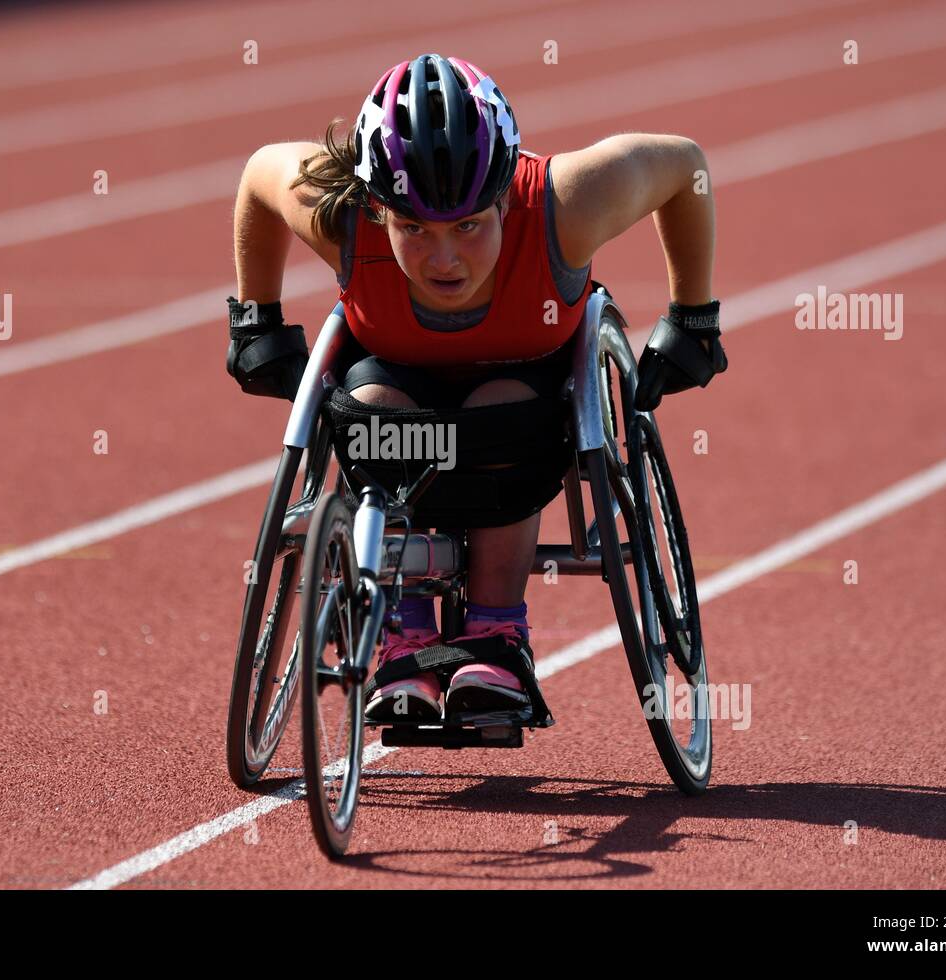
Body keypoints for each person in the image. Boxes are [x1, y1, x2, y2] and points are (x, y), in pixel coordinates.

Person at [226, 53, 726, 724]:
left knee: (501, 414)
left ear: (504, 200)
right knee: (375, 415)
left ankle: (496, 632)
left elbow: (685, 164)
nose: (443, 260)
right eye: (412, 230)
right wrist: (255, 318)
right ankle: (403, 634)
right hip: (395, 376)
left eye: (468, 226)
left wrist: (693, 318)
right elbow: (263, 171)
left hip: (522, 384)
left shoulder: (566, 204)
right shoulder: (343, 216)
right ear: (378, 209)